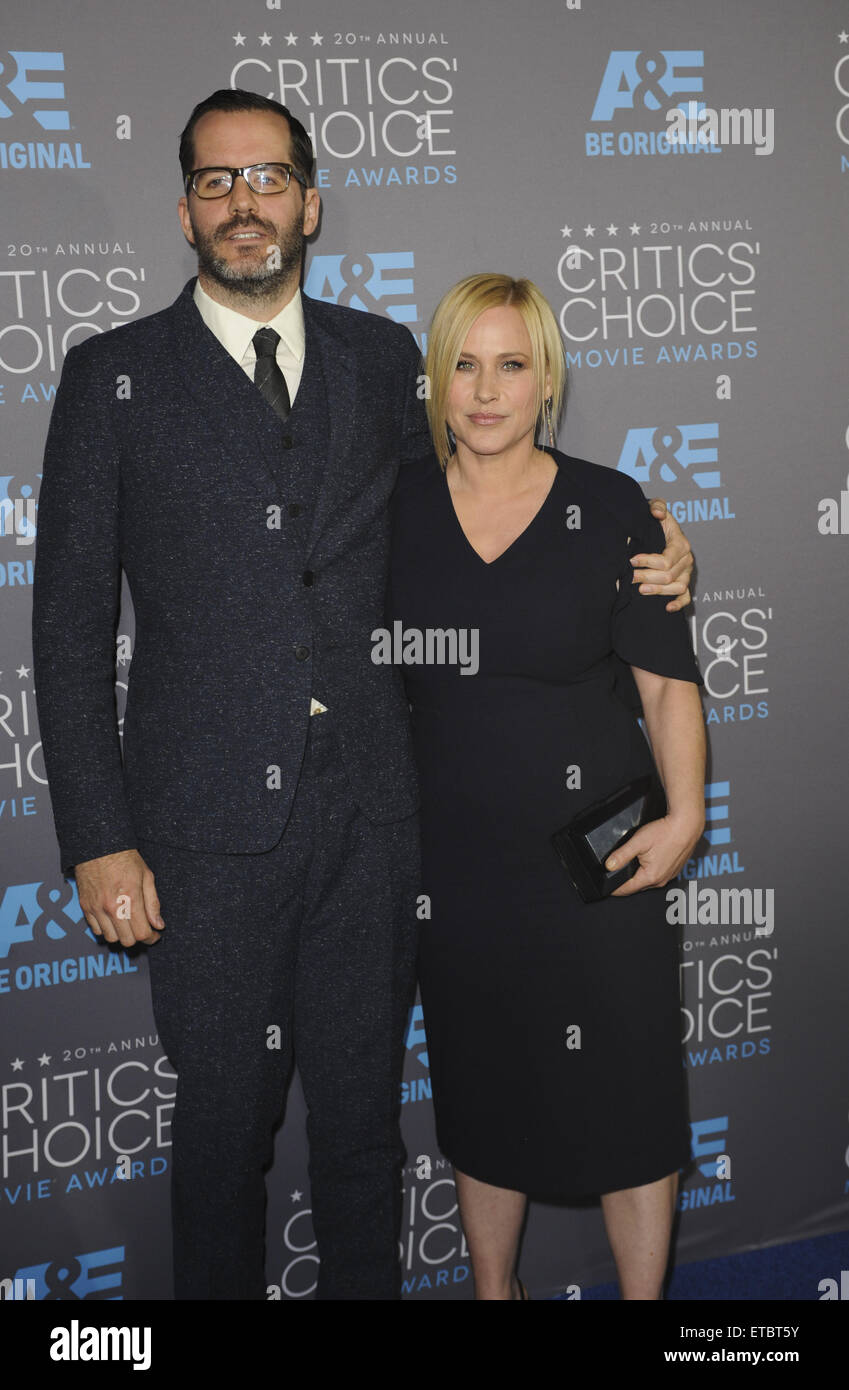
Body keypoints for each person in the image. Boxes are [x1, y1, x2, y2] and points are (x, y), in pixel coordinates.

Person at [31, 89, 694, 1302]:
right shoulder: (110, 377)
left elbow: (490, 495)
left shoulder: (386, 359)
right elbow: (67, 631)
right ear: (184, 210)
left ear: (311, 203)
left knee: (361, 1137)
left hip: (381, 825)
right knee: (223, 1136)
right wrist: (99, 839)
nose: (247, 204)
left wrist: (647, 534)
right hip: (201, 833)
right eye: (220, 183)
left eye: (270, 178)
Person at [388, 273, 706, 1300]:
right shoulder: (392, 510)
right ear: (436, 381)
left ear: (546, 382)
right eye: (465, 365)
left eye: (511, 365)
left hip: (600, 861)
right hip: (456, 876)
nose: (487, 391)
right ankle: (496, 1294)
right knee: (484, 1095)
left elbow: (667, 686)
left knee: (632, 1093)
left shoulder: (611, 504)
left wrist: (688, 817)